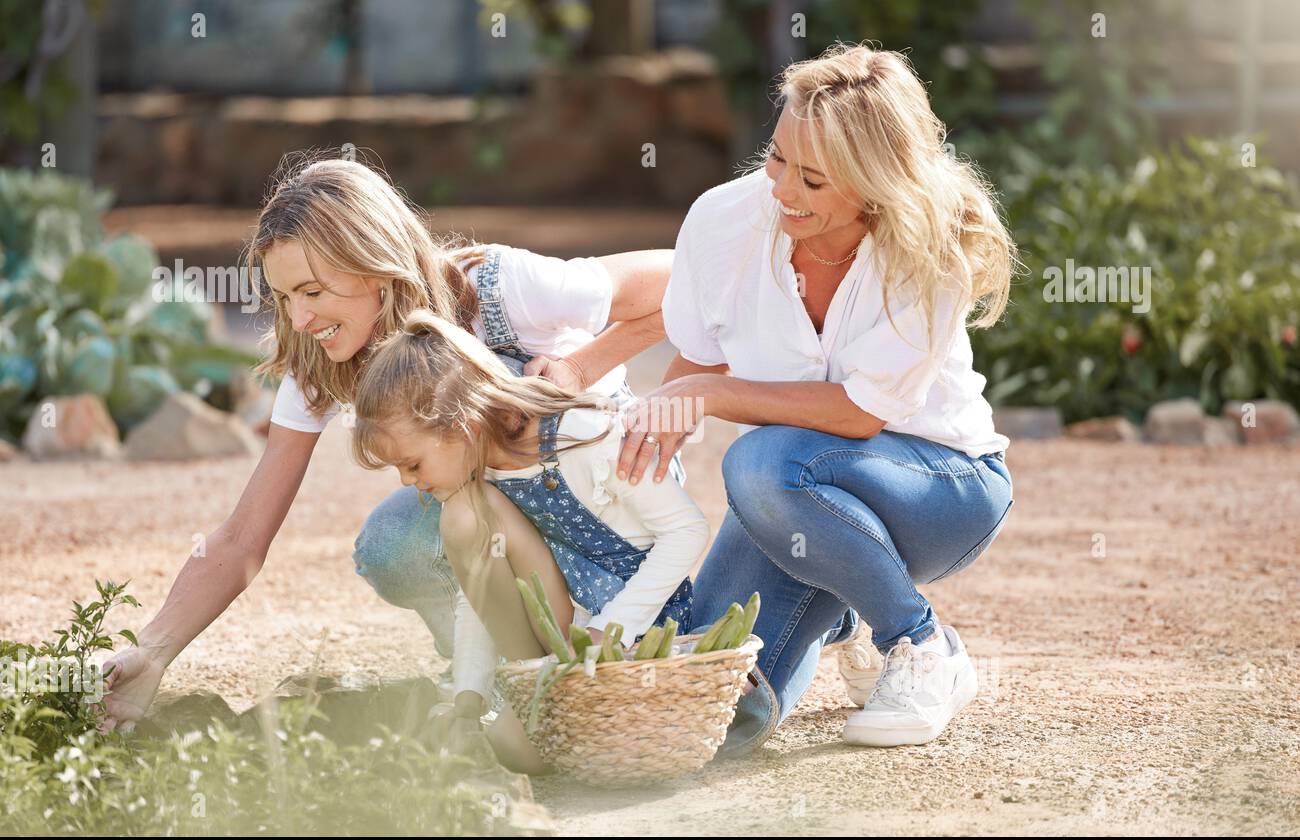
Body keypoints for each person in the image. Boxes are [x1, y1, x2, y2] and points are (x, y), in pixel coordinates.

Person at [98, 155, 679, 769]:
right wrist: (154, 650)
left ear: (375, 267)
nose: (299, 318)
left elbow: (679, 284)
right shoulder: (318, 358)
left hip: (611, 520)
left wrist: (578, 368)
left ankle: (551, 678)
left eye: (313, 292)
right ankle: (499, 679)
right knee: (396, 542)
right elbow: (244, 537)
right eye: (284, 296)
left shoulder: (497, 288)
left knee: (419, 525)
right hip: (507, 528)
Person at [617, 43, 1017, 754]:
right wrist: (654, 440)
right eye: (776, 160)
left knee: (761, 466)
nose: (782, 192)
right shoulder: (723, 221)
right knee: (714, 714)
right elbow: (697, 358)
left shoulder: (929, 245)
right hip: (802, 501)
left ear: (875, 183)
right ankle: (841, 602)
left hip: (943, 492)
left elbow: (858, 415)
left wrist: (710, 394)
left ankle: (921, 645)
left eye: (812, 179)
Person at [349, 309, 709, 769]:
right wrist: (469, 694)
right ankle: (530, 690)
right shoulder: (484, 475)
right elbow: (476, 597)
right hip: (563, 641)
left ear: (461, 427)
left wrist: (609, 629)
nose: (407, 481)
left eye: (412, 464)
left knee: (523, 749)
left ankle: (552, 714)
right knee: (463, 517)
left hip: (631, 639)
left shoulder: (586, 435)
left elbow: (687, 529)